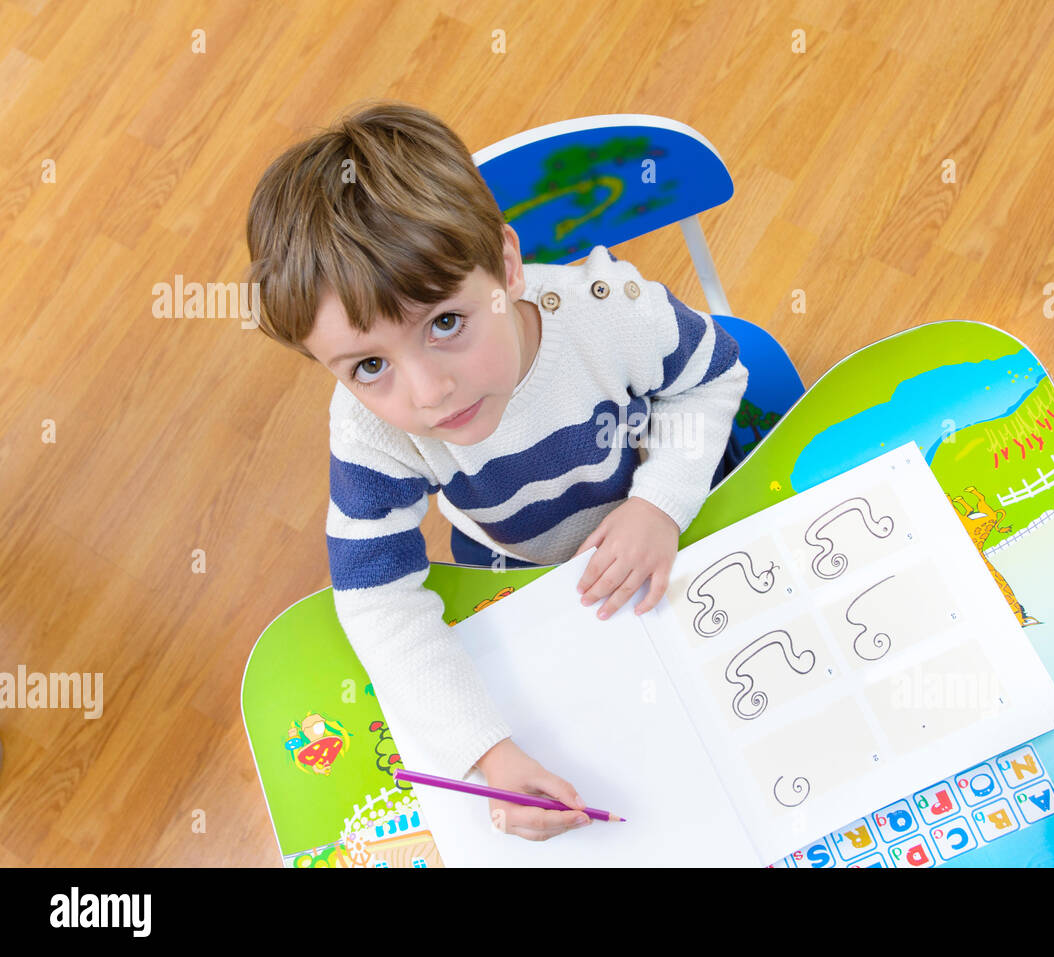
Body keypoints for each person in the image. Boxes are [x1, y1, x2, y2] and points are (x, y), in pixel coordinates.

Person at [245, 102, 747, 843]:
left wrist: (661, 503)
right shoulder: (368, 427)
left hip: (673, 511)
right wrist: (485, 751)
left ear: (507, 268)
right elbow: (376, 597)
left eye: (445, 323)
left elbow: (712, 376)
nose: (426, 393)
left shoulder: (612, 312)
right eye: (370, 365)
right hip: (512, 569)